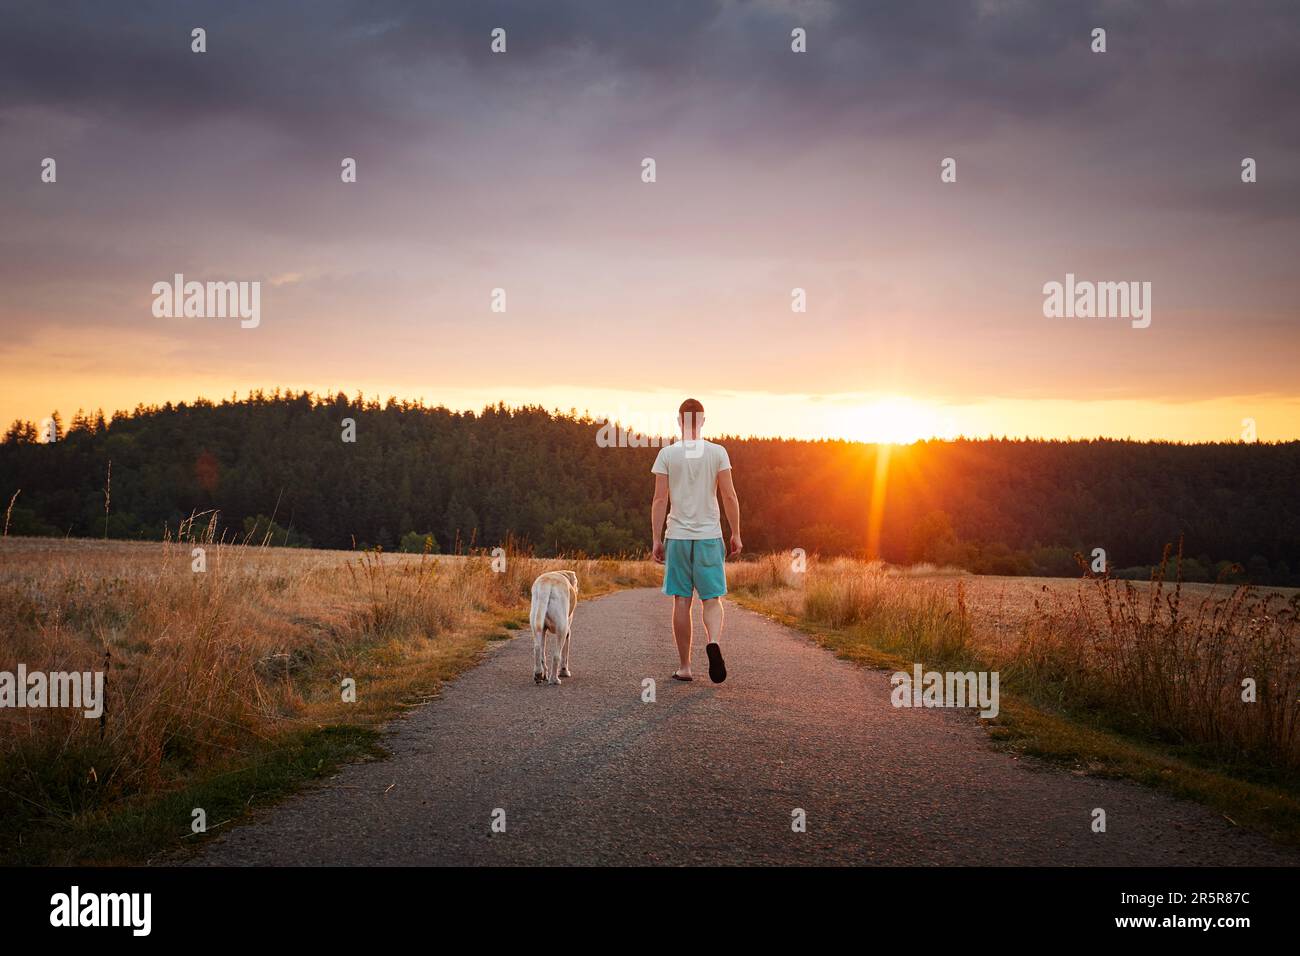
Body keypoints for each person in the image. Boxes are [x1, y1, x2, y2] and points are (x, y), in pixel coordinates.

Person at [650, 398, 742, 683]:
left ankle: (685, 667)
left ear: (679, 421)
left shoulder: (667, 454)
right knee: (711, 599)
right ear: (702, 421)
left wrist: (656, 539)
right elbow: (729, 495)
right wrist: (736, 532)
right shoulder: (718, 453)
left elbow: (659, 499)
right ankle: (713, 641)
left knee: (681, 600)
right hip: (709, 535)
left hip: (677, 536)